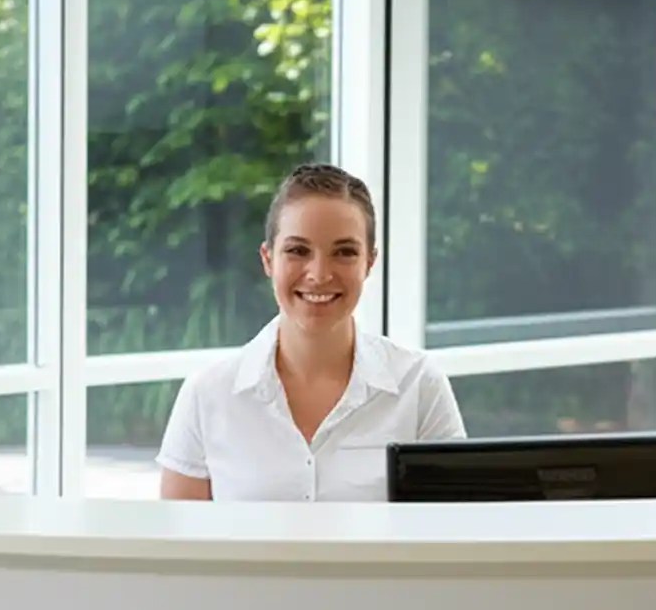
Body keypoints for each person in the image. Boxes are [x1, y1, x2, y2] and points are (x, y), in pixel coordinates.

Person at [156, 163, 465, 502]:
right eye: (298, 251)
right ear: (268, 259)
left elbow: (451, 537)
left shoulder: (420, 387)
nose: (319, 274)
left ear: (370, 262)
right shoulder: (207, 394)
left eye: (344, 252)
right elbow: (180, 547)